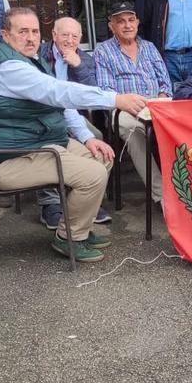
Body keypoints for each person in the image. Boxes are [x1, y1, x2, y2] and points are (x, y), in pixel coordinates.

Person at [0, 7, 149, 263]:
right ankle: (69, 238)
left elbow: (61, 104)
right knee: (93, 174)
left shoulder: (28, 59)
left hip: (38, 143)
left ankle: (78, 228)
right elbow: (58, 92)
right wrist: (115, 98)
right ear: (5, 35)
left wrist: (88, 138)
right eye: (23, 32)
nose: (31, 38)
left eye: (35, 31)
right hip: (12, 159)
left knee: (102, 157)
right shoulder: (10, 68)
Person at [34, 16, 112, 229]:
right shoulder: (38, 55)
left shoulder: (84, 59)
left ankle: (88, 200)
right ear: (54, 35)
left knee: (96, 138)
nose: (69, 40)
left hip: (72, 116)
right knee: (49, 141)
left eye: (75, 36)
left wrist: (77, 67)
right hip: (44, 114)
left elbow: (94, 94)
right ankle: (50, 203)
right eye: (65, 35)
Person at [92, 2, 173, 204]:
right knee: (135, 133)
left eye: (130, 20)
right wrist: (129, 103)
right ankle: (162, 196)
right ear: (111, 26)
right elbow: (105, 91)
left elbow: (165, 82)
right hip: (122, 110)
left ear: (137, 22)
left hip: (155, 107)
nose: (127, 25)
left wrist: (162, 96)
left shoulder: (149, 47)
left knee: (180, 131)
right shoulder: (103, 51)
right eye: (120, 22)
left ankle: (184, 188)